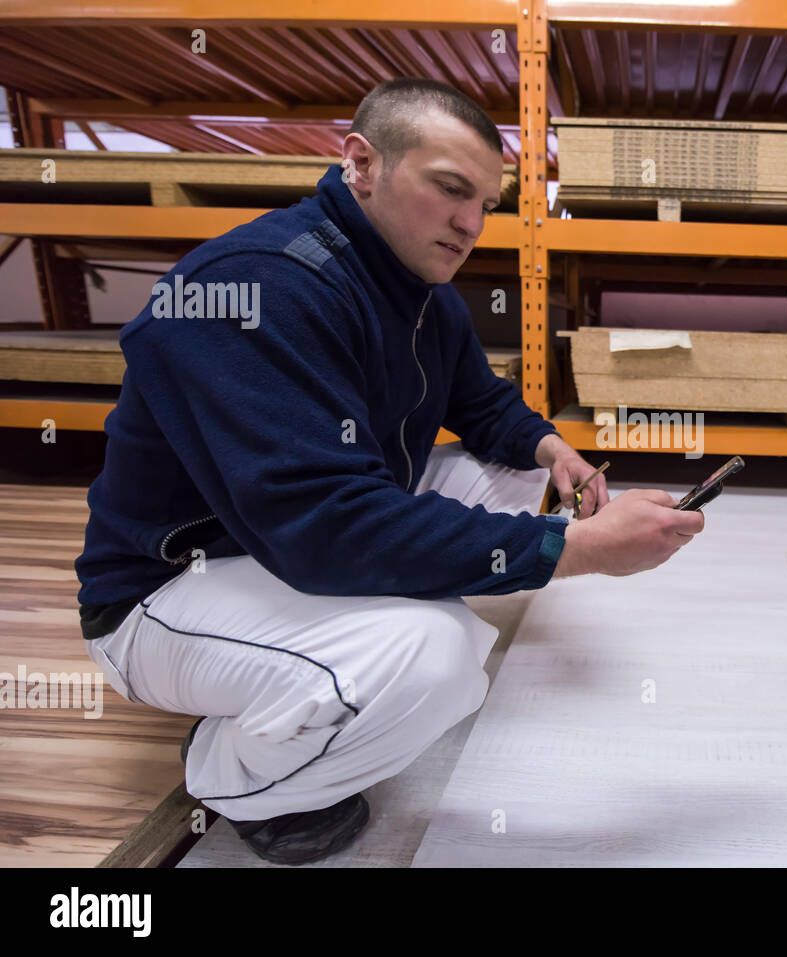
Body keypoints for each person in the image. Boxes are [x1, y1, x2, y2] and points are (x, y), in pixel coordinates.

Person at [73, 78, 705, 866]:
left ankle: (335, 653)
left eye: (485, 201)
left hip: (293, 537)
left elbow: (481, 407)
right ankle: (232, 776)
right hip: (167, 592)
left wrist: (553, 452)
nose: (472, 223)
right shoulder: (253, 289)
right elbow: (325, 525)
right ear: (361, 163)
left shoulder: (420, 291)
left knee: (509, 474)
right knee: (435, 658)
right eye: (449, 189)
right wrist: (572, 549)